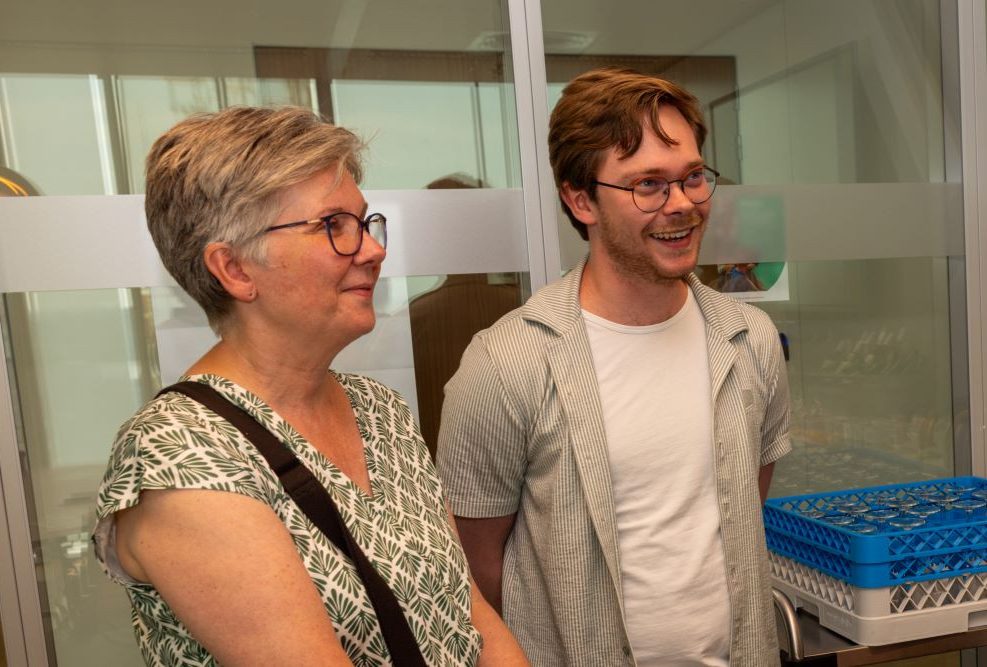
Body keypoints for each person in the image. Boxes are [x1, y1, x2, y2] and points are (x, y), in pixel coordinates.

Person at [92, 106, 527, 667]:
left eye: (365, 223)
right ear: (235, 270)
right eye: (333, 226)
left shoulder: (379, 411)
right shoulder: (180, 456)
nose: (373, 250)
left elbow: (469, 617)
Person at [437, 67, 791, 666]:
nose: (681, 206)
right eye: (648, 185)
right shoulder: (507, 365)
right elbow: (476, 575)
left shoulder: (748, 340)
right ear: (581, 199)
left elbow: (741, 516)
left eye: (692, 178)